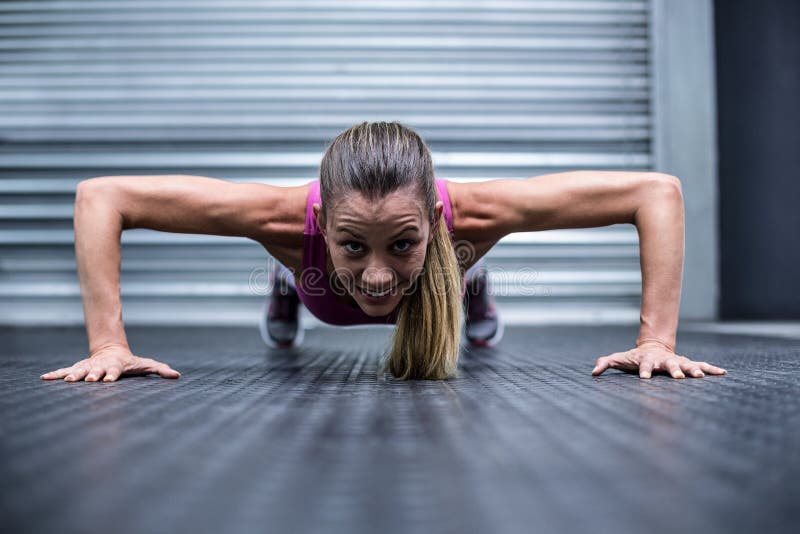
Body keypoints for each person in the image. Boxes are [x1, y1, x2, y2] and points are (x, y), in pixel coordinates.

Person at [40, 121, 727, 382]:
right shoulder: (283, 221)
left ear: (432, 217)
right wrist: (108, 345)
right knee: (322, 279)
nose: (375, 275)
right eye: (351, 244)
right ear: (324, 220)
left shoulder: (476, 214)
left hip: (451, 256)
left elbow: (655, 193)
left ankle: (468, 280)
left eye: (401, 242)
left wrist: (656, 339)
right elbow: (103, 196)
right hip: (310, 277)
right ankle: (290, 286)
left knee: (449, 269)